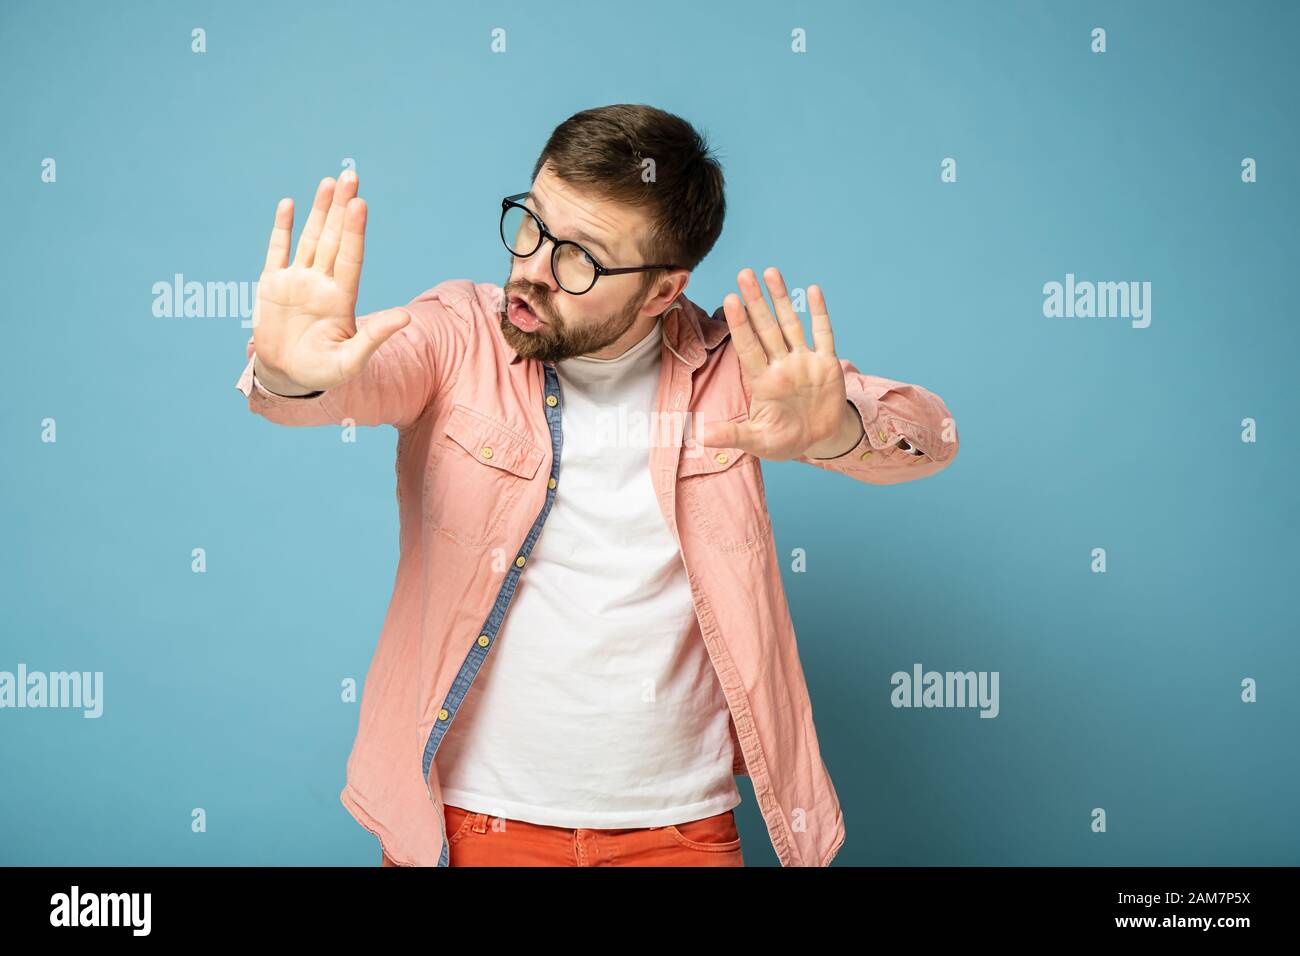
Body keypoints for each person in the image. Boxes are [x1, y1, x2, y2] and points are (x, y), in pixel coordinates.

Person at [234, 104, 959, 867]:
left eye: (579, 257)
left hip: (681, 833)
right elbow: (351, 380)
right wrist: (292, 373)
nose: (533, 269)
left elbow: (932, 436)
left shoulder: (732, 373)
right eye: (532, 224)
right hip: (475, 827)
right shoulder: (458, 334)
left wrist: (838, 429)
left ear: (660, 291)